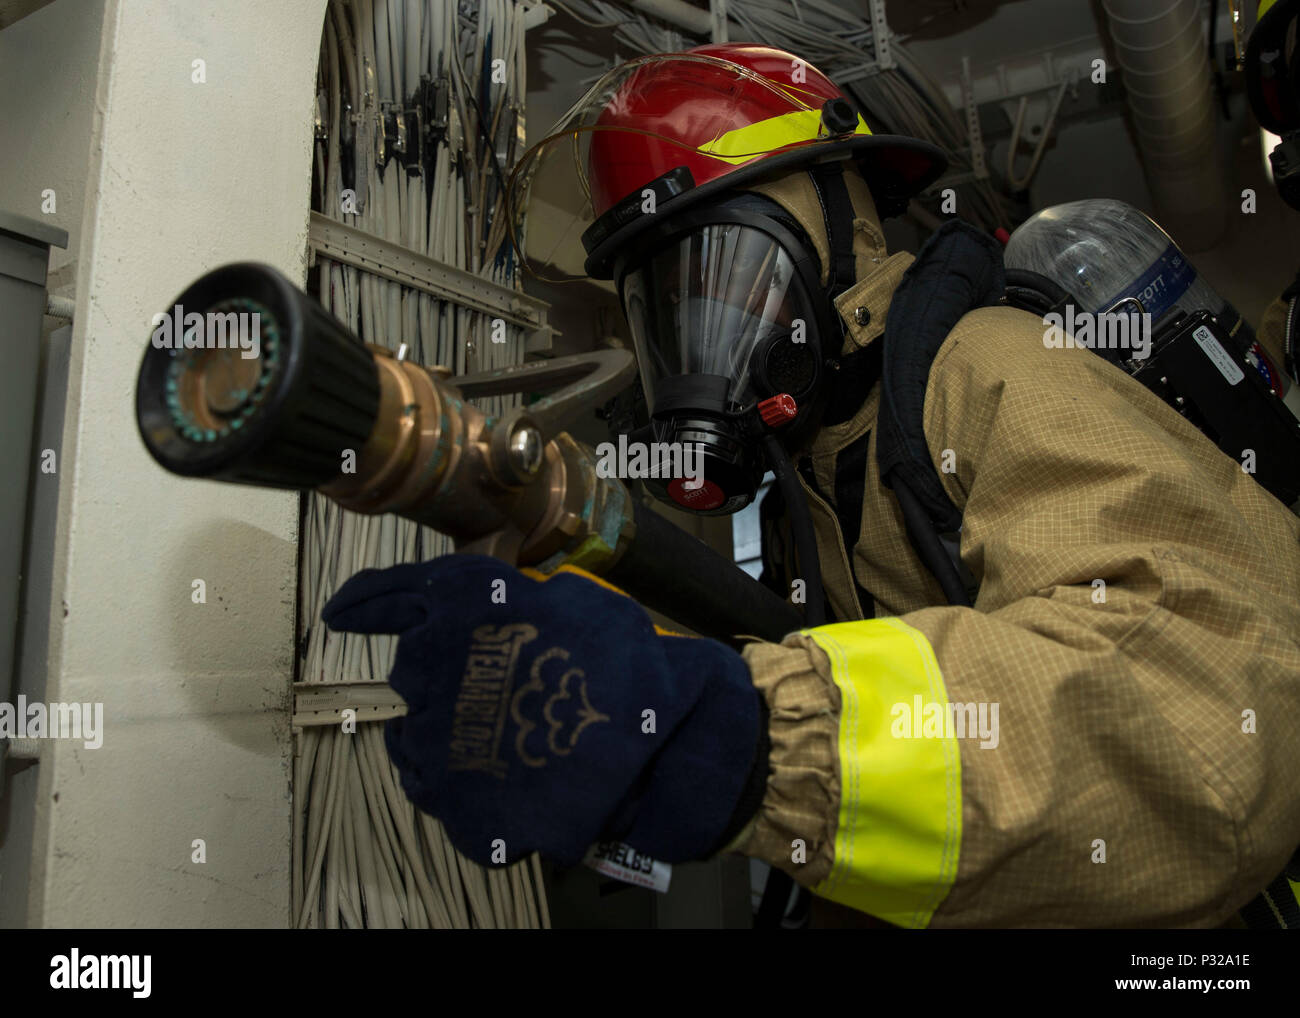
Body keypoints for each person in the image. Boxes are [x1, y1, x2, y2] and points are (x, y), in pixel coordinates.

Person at [323, 43, 1300, 928]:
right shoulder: (814, 473)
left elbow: (1203, 719)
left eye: (729, 271)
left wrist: (746, 745)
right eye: (668, 303)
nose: (709, 334)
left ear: (846, 228)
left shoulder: (985, 368)